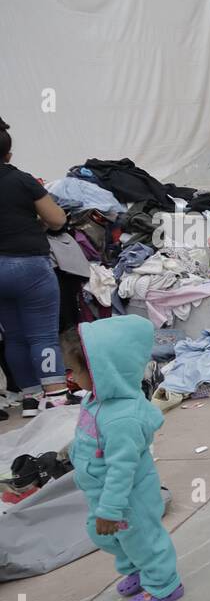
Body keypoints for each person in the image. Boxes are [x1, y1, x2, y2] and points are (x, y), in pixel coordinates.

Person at [63, 317, 182, 601]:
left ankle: (164, 584)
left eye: (75, 370)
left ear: (102, 371)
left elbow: (121, 469)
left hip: (128, 499)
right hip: (101, 493)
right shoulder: (94, 400)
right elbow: (87, 437)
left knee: (141, 537)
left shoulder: (122, 419)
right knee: (101, 533)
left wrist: (111, 509)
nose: (71, 377)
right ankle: (138, 569)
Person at [0, 118, 76, 418]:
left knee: (15, 337)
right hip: (29, 266)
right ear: (9, 153)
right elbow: (57, 219)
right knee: (42, 336)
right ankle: (55, 396)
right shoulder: (21, 180)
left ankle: (30, 398)